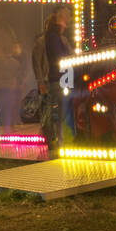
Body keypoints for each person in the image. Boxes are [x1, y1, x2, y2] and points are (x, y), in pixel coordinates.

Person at [32, 8, 70, 153]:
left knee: (56, 113)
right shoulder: (43, 42)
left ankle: (57, 141)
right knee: (49, 112)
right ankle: (52, 140)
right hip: (50, 81)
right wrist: (40, 81)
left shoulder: (62, 40)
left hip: (58, 80)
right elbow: (37, 63)